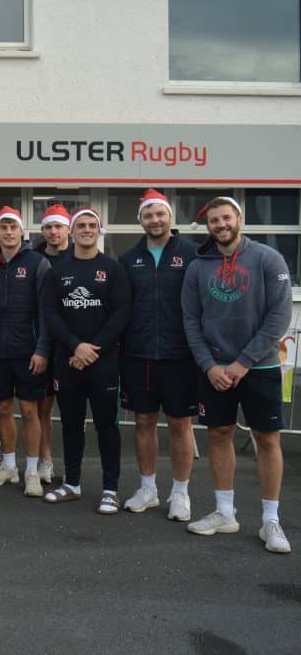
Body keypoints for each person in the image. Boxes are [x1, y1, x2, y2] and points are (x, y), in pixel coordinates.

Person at [182, 196, 292, 553]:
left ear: (239, 218)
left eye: (226, 218)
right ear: (208, 226)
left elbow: (279, 316)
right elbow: (191, 320)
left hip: (259, 366)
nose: (221, 225)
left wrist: (243, 362)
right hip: (215, 370)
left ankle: (270, 520)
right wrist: (208, 365)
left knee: (267, 439)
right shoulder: (198, 267)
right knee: (219, 435)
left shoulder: (267, 258)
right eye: (214, 220)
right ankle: (224, 512)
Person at [41, 208, 130, 514]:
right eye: (81, 225)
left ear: (99, 230)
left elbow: (121, 313)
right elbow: (51, 314)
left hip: (103, 363)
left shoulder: (113, 268)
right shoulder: (57, 271)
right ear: (72, 231)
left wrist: (93, 350)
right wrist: (75, 346)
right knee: (70, 425)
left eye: (92, 225)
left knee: (107, 427)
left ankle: (110, 490)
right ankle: (72, 484)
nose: (87, 229)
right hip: (68, 362)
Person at [118, 189, 199, 520]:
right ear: (141, 221)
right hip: (139, 354)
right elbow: (122, 308)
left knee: (180, 424)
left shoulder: (191, 254)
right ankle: (148, 489)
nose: (155, 220)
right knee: (143, 421)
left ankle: (180, 493)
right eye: (148, 215)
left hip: (180, 355)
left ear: (170, 216)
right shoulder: (129, 259)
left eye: (160, 213)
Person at [0, 207, 51, 496]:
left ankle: (32, 470)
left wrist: (42, 349)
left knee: (30, 410)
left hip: (29, 351)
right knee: (2, 408)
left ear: (22, 231)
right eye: (3, 227)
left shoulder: (38, 263)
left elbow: (47, 311)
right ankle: (9, 466)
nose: (9, 232)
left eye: (13, 227)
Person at [32, 204, 72, 485]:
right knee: (43, 408)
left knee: (73, 412)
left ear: (68, 229)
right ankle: (45, 460)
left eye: (58, 226)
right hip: (45, 344)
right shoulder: (35, 260)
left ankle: (72, 463)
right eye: (48, 227)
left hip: (74, 346)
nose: (53, 232)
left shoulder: (82, 255)